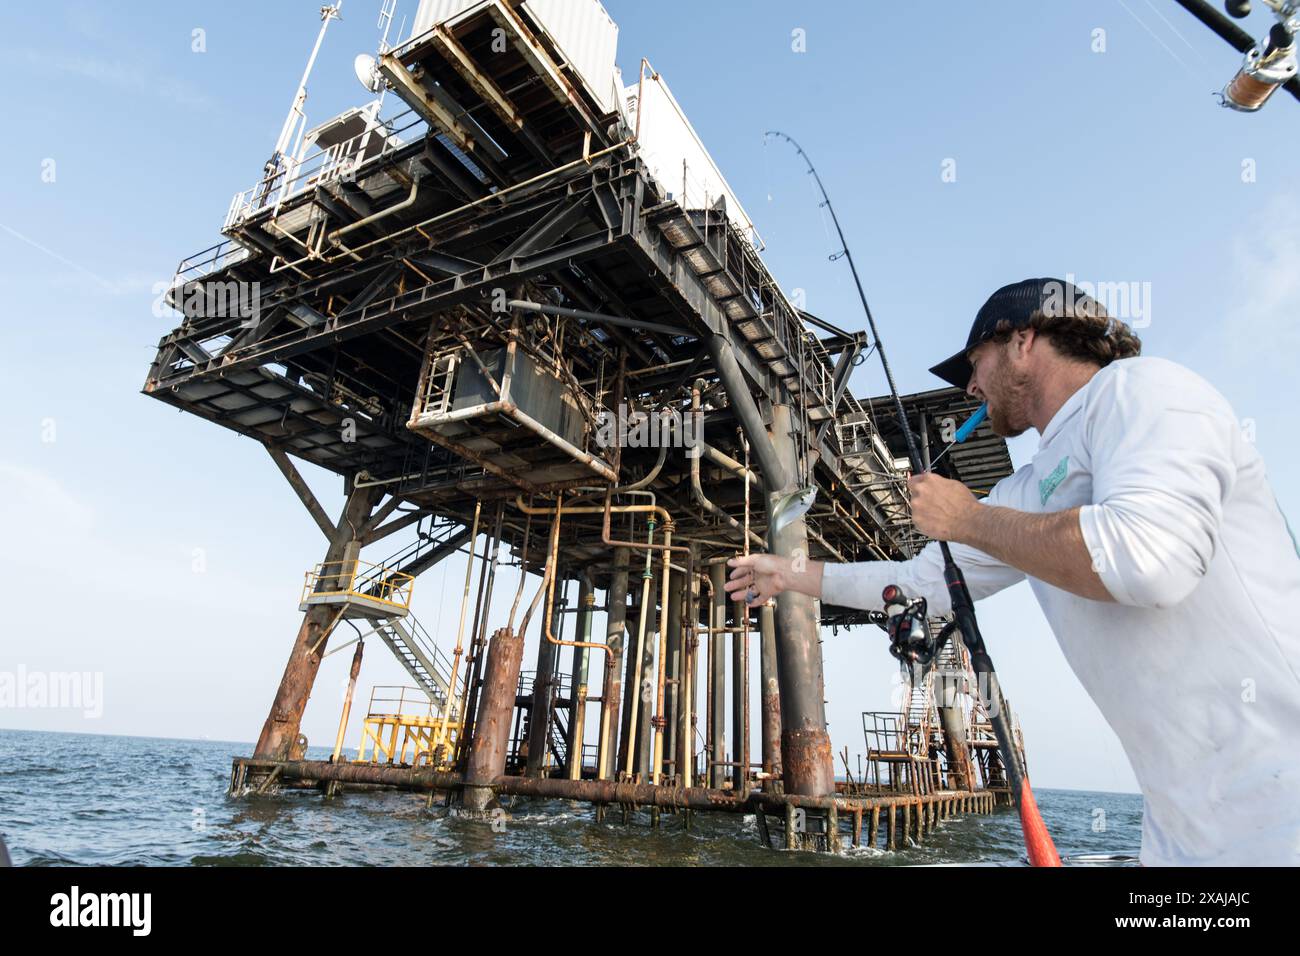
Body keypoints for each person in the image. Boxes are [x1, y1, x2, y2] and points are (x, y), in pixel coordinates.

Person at [726, 277, 1300, 866]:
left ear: (1023, 340)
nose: (971, 385)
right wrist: (788, 573)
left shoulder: (1142, 391)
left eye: (976, 362)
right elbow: (923, 586)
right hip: (1183, 846)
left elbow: (1150, 560)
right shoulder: (1031, 487)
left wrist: (970, 519)